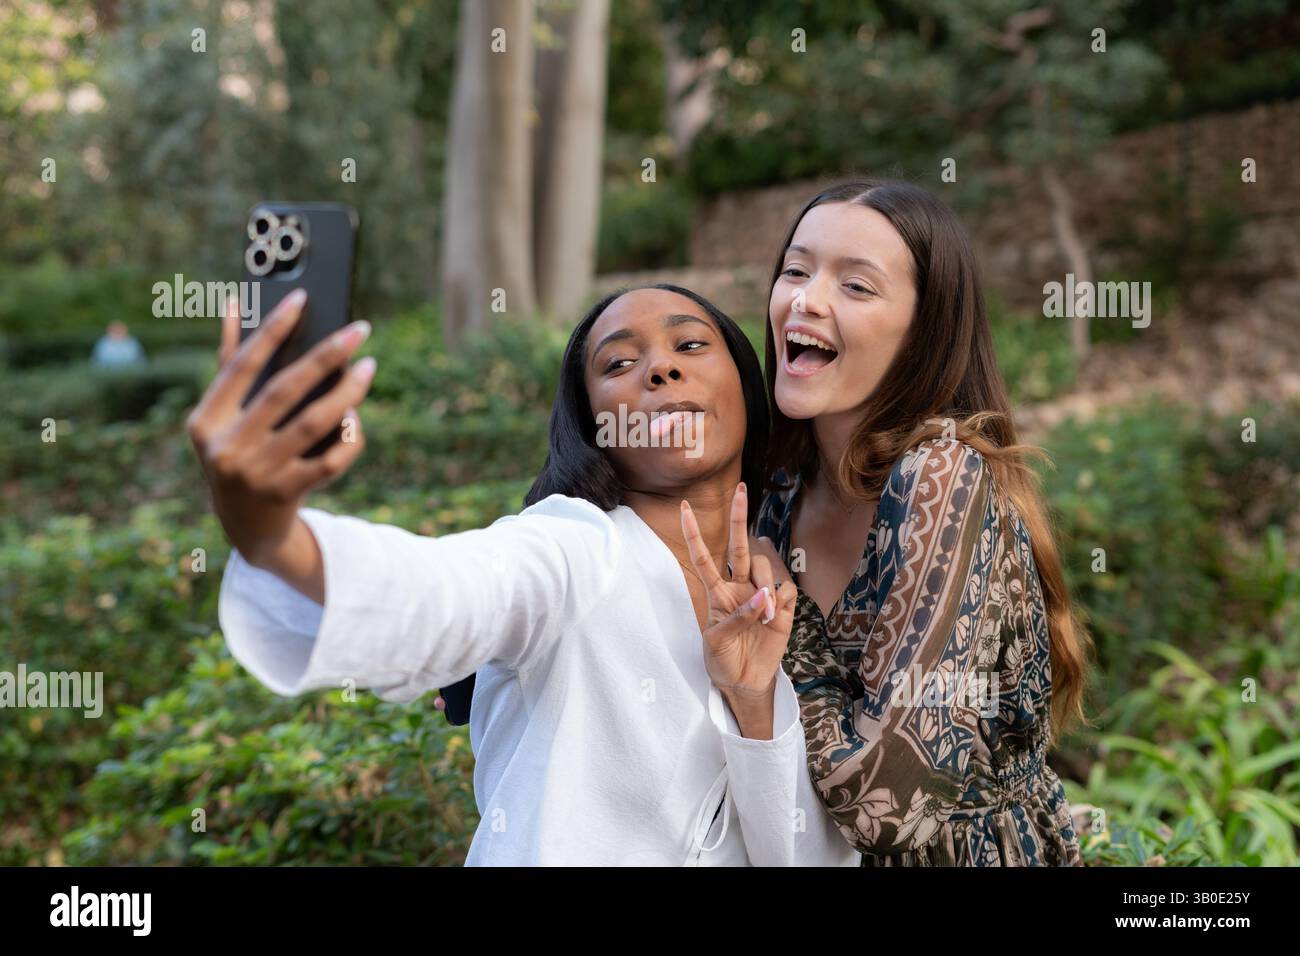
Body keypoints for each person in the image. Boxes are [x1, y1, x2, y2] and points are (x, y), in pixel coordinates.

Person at [190, 283, 860, 866]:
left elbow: (803, 856)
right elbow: (445, 591)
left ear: (747, 385)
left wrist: (751, 699)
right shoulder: (576, 548)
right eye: (619, 362)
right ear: (594, 422)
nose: (659, 368)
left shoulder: (785, 594)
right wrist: (271, 533)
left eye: (689, 347)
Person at [752, 179, 1090, 866]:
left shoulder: (941, 474)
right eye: (796, 268)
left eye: (856, 286)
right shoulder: (778, 492)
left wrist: (787, 629)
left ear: (923, 332)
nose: (806, 298)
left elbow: (891, 804)